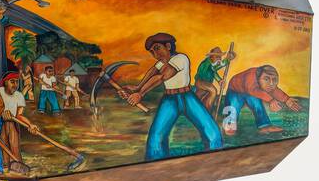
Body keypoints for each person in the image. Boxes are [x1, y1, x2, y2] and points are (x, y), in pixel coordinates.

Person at [125, 32, 224, 160]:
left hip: (187, 97)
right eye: (152, 52)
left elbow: (162, 76)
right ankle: (156, 163)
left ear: (168, 46)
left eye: (157, 48)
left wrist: (141, 93)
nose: (155, 55)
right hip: (169, 100)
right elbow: (153, 71)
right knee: (156, 137)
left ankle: (216, 156)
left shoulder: (180, 58)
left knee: (212, 131)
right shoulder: (163, 61)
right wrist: (138, 88)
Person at [225, 64, 302, 134]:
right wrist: (271, 100)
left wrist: (286, 99)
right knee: (234, 105)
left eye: (274, 80)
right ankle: (229, 125)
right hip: (235, 90)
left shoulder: (265, 83)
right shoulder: (250, 77)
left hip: (250, 92)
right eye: (266, 79)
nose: (271, 83)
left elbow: (274, 89)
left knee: (257, 104)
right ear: (258, 77)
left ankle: (264, 126)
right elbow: (252, 90)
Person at [0, 71, 40, 169]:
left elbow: (19, 115)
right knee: (4, 132)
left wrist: (30, 124)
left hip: (13, 123)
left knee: (13, 132)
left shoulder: (19, 96)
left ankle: (16, 162)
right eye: (12, 82)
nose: (15, 85)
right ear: (5, 82)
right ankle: (5, 163)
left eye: (17, 82)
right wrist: (1, 113)